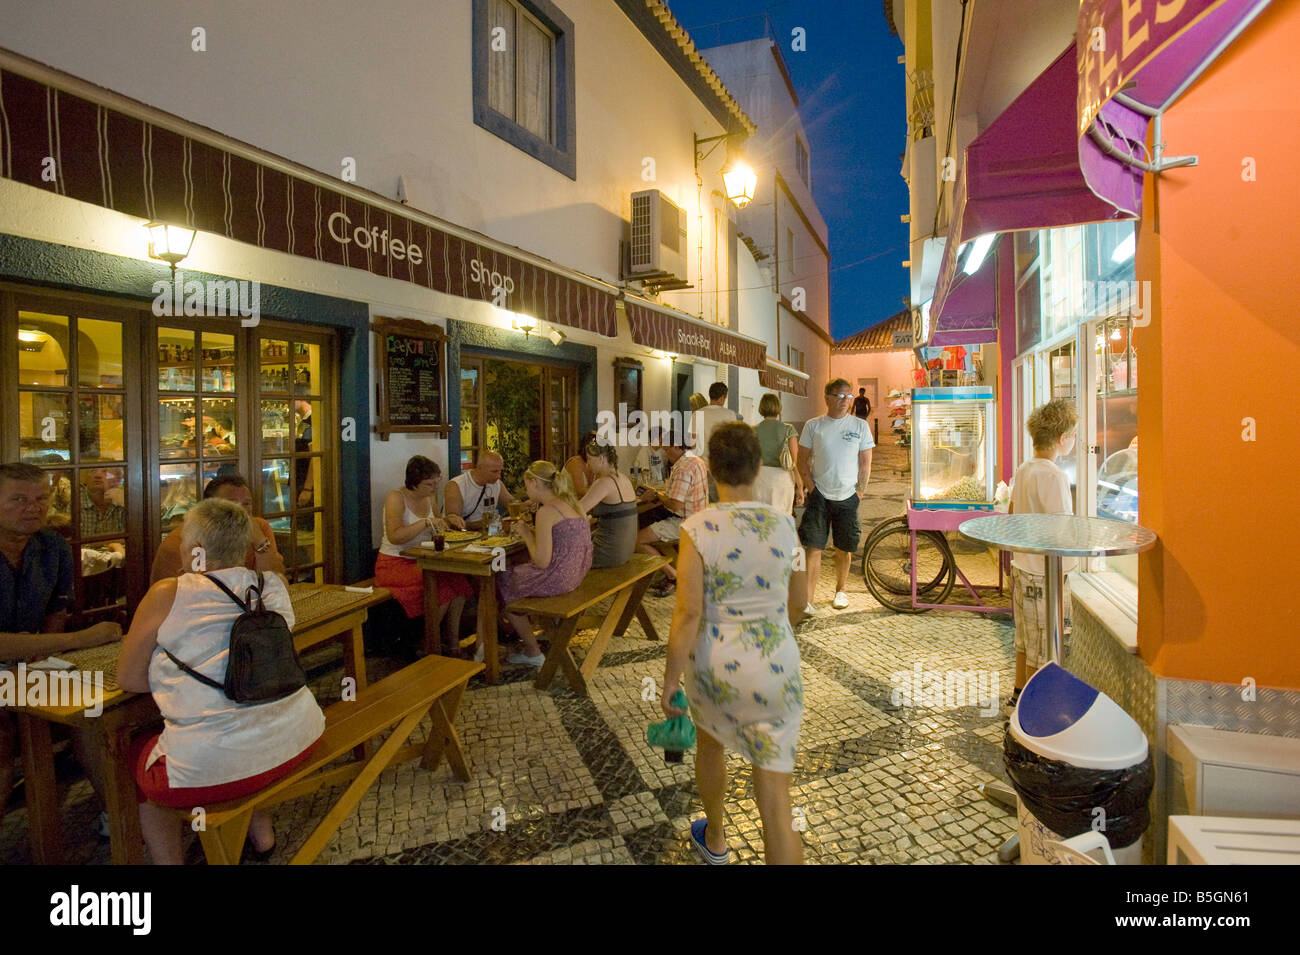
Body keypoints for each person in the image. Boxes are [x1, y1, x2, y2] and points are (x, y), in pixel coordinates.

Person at [116, 498, 326, 865]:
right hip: (301, 736)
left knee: (134, 756)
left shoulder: (169, 593)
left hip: (218, 766)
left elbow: (130, 679)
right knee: (248, 719)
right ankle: (262, 835)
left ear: (195, 549)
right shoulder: (271, 585)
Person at [661, 422, 807, 865]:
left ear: (711, 471)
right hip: (775, 668)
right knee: (777, 810)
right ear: (758, 466)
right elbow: (799, 602)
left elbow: (687, 613)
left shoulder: (697, 528)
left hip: (715, 666)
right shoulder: (784, 525)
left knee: (710, 746)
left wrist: (669, 682)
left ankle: (717, 837)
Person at [0, 463, 122, 827]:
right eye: (18, 499)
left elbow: (57, 608)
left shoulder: (52, 547)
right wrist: (80, 639)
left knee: (93, 712)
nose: (32, 508)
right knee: (2, 735)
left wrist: (38, 648)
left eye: (41, 498)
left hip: (30, 660)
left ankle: (117, 818)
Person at [1006, 398, 1078, 712]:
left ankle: (1018, 696)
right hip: (1042, 572)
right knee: (1040, 646)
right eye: (1074, 435)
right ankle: (1033, 712)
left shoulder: (1024, 468)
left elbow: (1011, 513)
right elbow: (1061, 528)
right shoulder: (1053, 476)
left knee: (1024, 639)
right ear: (1062, 439)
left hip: (1022, 565)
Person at [373, 456, 473, 655]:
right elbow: (395, 536)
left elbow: (437, 522)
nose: (435, 488)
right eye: (429, 484)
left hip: (421, 559)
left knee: (460, 583)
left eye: (437, 482)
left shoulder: (429, 497)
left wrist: (449, 520)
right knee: (440, 584)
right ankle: (428, 643)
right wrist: (425, 523)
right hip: (394, 564)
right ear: (414, 482)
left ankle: (452, 643)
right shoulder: (396, 497)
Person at [497, 461, 592, 667]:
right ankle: (535, 633)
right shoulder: (573, 503)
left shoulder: (546, 512)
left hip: (558, 578)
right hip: (576, 574)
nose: (526, 490)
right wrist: (531, 533)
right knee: (514, 575)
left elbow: (541, 562)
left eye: (526, 484)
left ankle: (532, 651)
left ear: (534, 483)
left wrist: (525, 534)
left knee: (502, 581)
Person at [797, 378, 874, 614]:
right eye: (840, 396)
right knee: (813, 547)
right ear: (827, 397)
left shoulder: (860, 426)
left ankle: (841, 591)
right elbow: (801, 460)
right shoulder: (813, 426)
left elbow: (865, 463)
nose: (845, 401)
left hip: (848, 496)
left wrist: (859, 492)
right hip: (819, 495)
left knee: (844, 547)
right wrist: (811, 488)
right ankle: (808, 599)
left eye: (848, 396)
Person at [150, 474, 285, 582]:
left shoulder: (259, 527)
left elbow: (275, 581)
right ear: (208, 508)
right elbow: (193, 592)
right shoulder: (185, 538)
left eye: (247, 503)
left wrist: (260, 542)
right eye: (231, 504)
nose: (241, 510)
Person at [636, 425, 708, 598]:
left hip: (685, 522)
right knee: (650, 518)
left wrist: (657, 495)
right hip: (700, 518)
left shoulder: (682, 468)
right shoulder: (697, 461)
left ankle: (672, 575)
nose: (666, 454)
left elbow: (675, 504)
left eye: (667, 450)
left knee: (636, 540)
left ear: (677, 446)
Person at [579, 438, 637, 569]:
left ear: (601, 459)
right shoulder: (623, 478)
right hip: (625, 551)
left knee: (564, 557)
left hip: (608, 553)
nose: (587, 465)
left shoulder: (604, 483)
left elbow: (576, 511)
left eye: (589, 459)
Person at [753, 393, 805, 514]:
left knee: (760, 521)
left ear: (761, 408)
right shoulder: (789, 429)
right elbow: (795, 462)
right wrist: (800, 486)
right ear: (778, 408)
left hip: (759, 479)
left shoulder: (753, 430)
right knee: (781, 520)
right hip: (783, 479)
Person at [445, 450, 517, 530]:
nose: (498, 476)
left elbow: (512, 504)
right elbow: (453, 522)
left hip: (489, 534)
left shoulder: (497, 483)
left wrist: (528, 504)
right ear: (479, 468)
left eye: (500, 471)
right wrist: (481, 524)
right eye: (494, 471)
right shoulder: (456, 485)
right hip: (465, 536)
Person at [693, 382, 740, 502]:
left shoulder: (697, 414)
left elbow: (692, 443)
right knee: (725, 506)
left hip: (703, 468)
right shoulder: (729, 415)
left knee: (706, 506)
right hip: (724, 468)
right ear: (723, 397)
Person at [562, 430, 597, 500]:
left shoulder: (592, 463)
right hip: (567, 504)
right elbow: (581, 491)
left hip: (582, 504)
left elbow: (592, 486)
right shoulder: (575, 462)